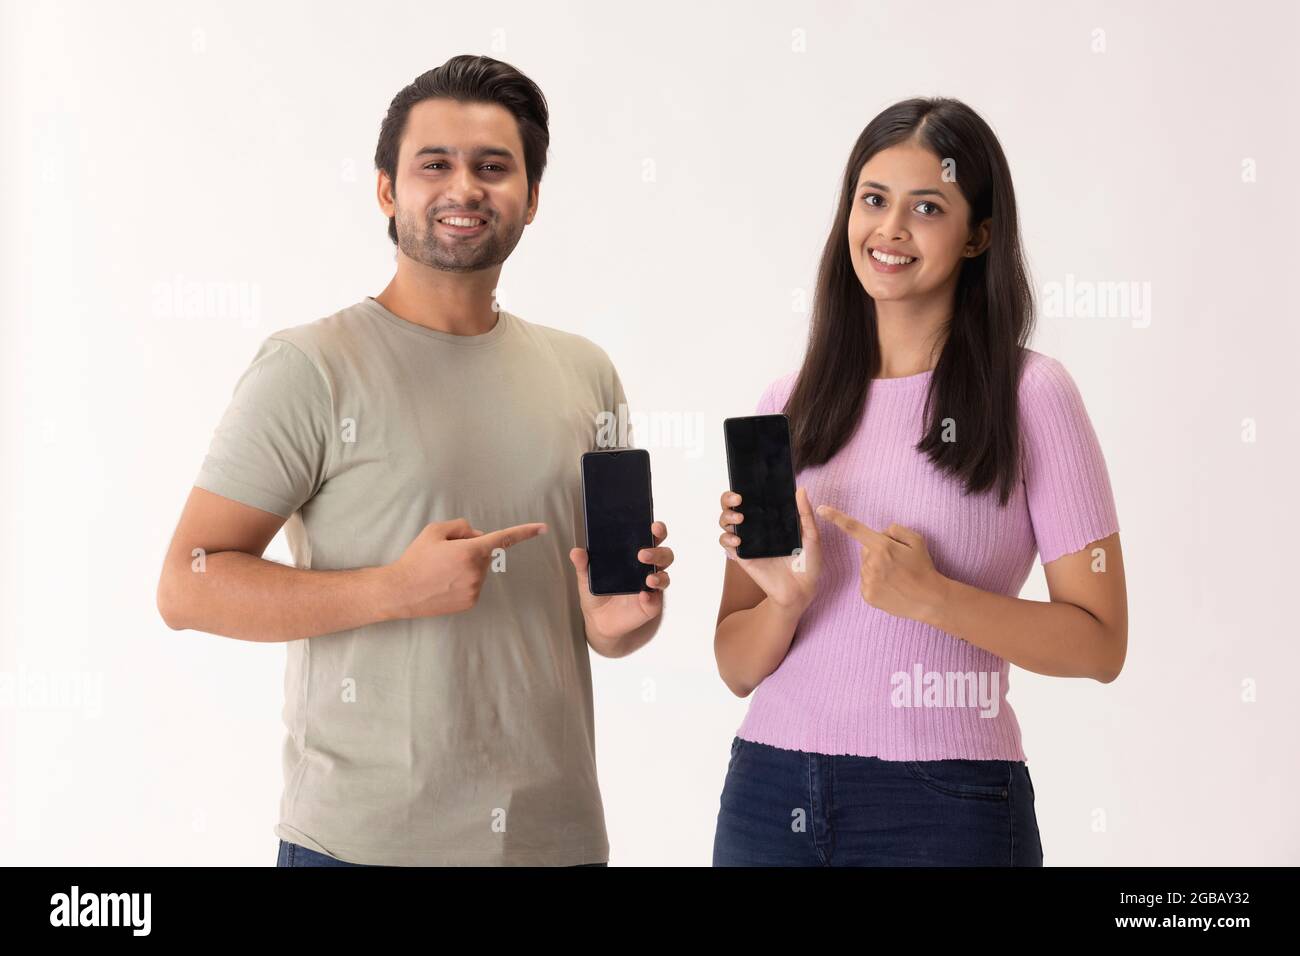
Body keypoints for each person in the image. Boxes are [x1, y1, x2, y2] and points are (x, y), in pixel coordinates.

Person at [155, 54, 673, 867]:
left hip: (556, 839)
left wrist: (617, 627)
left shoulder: (587, 373)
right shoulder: (310, 366)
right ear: (387, 191)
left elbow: (600, 627)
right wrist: (392, 590)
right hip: (363, 846)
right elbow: (187, 582)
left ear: (532, 199)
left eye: (493, 167)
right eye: (435, 164)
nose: (464, 188)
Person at [711, 97, 1126, 866]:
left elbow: (1101, 643)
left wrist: (934, 598)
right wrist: (787, 602)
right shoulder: (787, 404)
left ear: (979, 235)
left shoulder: (1034, 396)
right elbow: (735, 665)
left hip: (945, 801)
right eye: (872, 200)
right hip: (769, 793)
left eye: (926, 207)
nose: (889, 229)